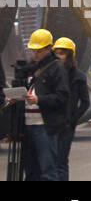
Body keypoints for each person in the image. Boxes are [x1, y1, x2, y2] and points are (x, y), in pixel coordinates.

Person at [21, 28, 68, 181]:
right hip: (29, 124)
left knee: (48, 169)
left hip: (45, 125)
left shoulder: (57, 68)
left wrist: (39, 100)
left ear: (49, 48)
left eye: (39, 51)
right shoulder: (32, 68)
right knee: (31, 169)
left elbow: (62, 97)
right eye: (33, 51)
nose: (35, 54)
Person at [52, 37, 89, 181]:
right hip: (51, 123)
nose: (58, 57)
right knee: (49, 161)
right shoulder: (52, 74)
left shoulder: (78, 76)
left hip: (66, 126)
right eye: (56, 53)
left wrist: (73, 119)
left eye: (62, 53)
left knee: (61, 161)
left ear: (69, 55)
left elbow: (85, 102)